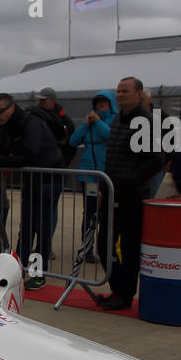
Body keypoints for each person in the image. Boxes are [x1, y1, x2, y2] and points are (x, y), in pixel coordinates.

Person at [0, 92, 64, 289]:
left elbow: (30, 154)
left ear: (11, 108)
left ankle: (38, 275)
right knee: (26, 228)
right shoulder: (6, 127)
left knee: (42, 228)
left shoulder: (31, 122)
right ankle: (18, 270)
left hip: (47, 180)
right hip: (31, 181)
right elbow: (1, 150)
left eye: (0, 111)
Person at [95, 77, 159, 310]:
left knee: (129, 247)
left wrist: (133, 178)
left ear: (138, 94)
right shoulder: (117, 120)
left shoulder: (145, 121)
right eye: (118, 91)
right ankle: (118, 289)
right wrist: (105, 187)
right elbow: (111, 158)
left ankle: (125, 294)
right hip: (112, 191)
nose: (120, 94)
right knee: (104, 243)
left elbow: (157, 159)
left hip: (132, 194)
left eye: (125, 91)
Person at [70, 90, 116, 260]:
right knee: (89, 213)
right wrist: (85, 124)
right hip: (89, 176)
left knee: (107, 214)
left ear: (111, 103)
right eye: (98, 102)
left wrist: (97, 122)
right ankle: (87, 249)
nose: (100, 104)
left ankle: (105, 249)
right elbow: (73, 141)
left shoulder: (113, 120)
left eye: (104, 102)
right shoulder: (89, 123)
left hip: (107, 175)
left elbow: (111, 136)